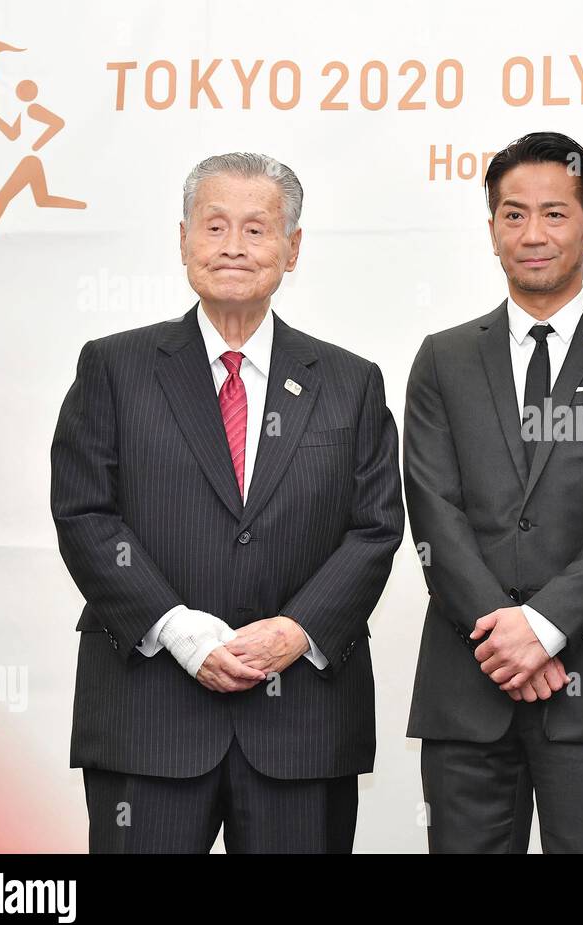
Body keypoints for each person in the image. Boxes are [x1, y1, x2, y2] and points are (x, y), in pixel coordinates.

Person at [51, 152, 403, 853]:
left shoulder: (349, 381)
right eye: (215, 227)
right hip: (148, 716)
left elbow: (374, 530)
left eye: (256, 228)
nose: (234, 247)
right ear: (183, 240)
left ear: (292, 247)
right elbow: (85, 514)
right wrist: (181, 631)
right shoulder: (114, 368)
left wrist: (295, 631)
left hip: (300, 723)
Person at [404, 131, 583, 853]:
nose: (534, 234)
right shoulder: (444, 357)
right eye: (514, 214)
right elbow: (432, 507)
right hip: (469, 682)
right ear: (492, 228)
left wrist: (544, 626)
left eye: (556, 214)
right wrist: (504, 631)